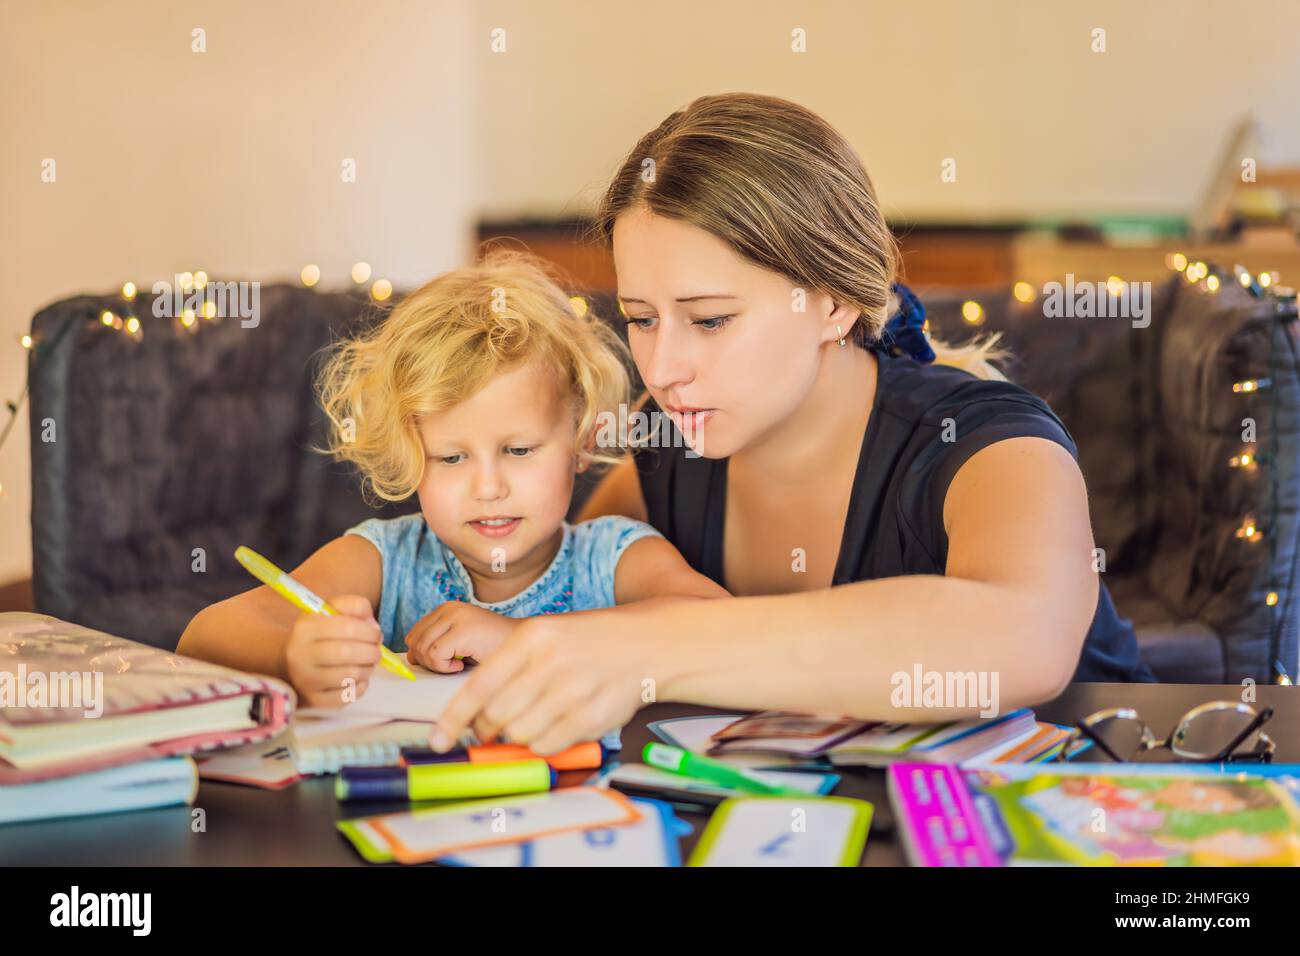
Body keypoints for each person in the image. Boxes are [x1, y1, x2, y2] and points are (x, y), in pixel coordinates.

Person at [425, 92, 1155, 757]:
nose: (664, 368)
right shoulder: (669, 451)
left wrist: (653, 645)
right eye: (642, 319)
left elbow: (1023, 635)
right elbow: (560, 590)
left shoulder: (991, 443)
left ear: (834, 303)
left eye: (711, 320)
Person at [177, 252, 726, 750]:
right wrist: (294, 655)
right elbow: (203, 635)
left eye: (517, 449)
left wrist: (522, 640)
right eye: (451, 458)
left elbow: (720, 627)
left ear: (582, 440)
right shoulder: (387, 558)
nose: (487, 487)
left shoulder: (614, 556)